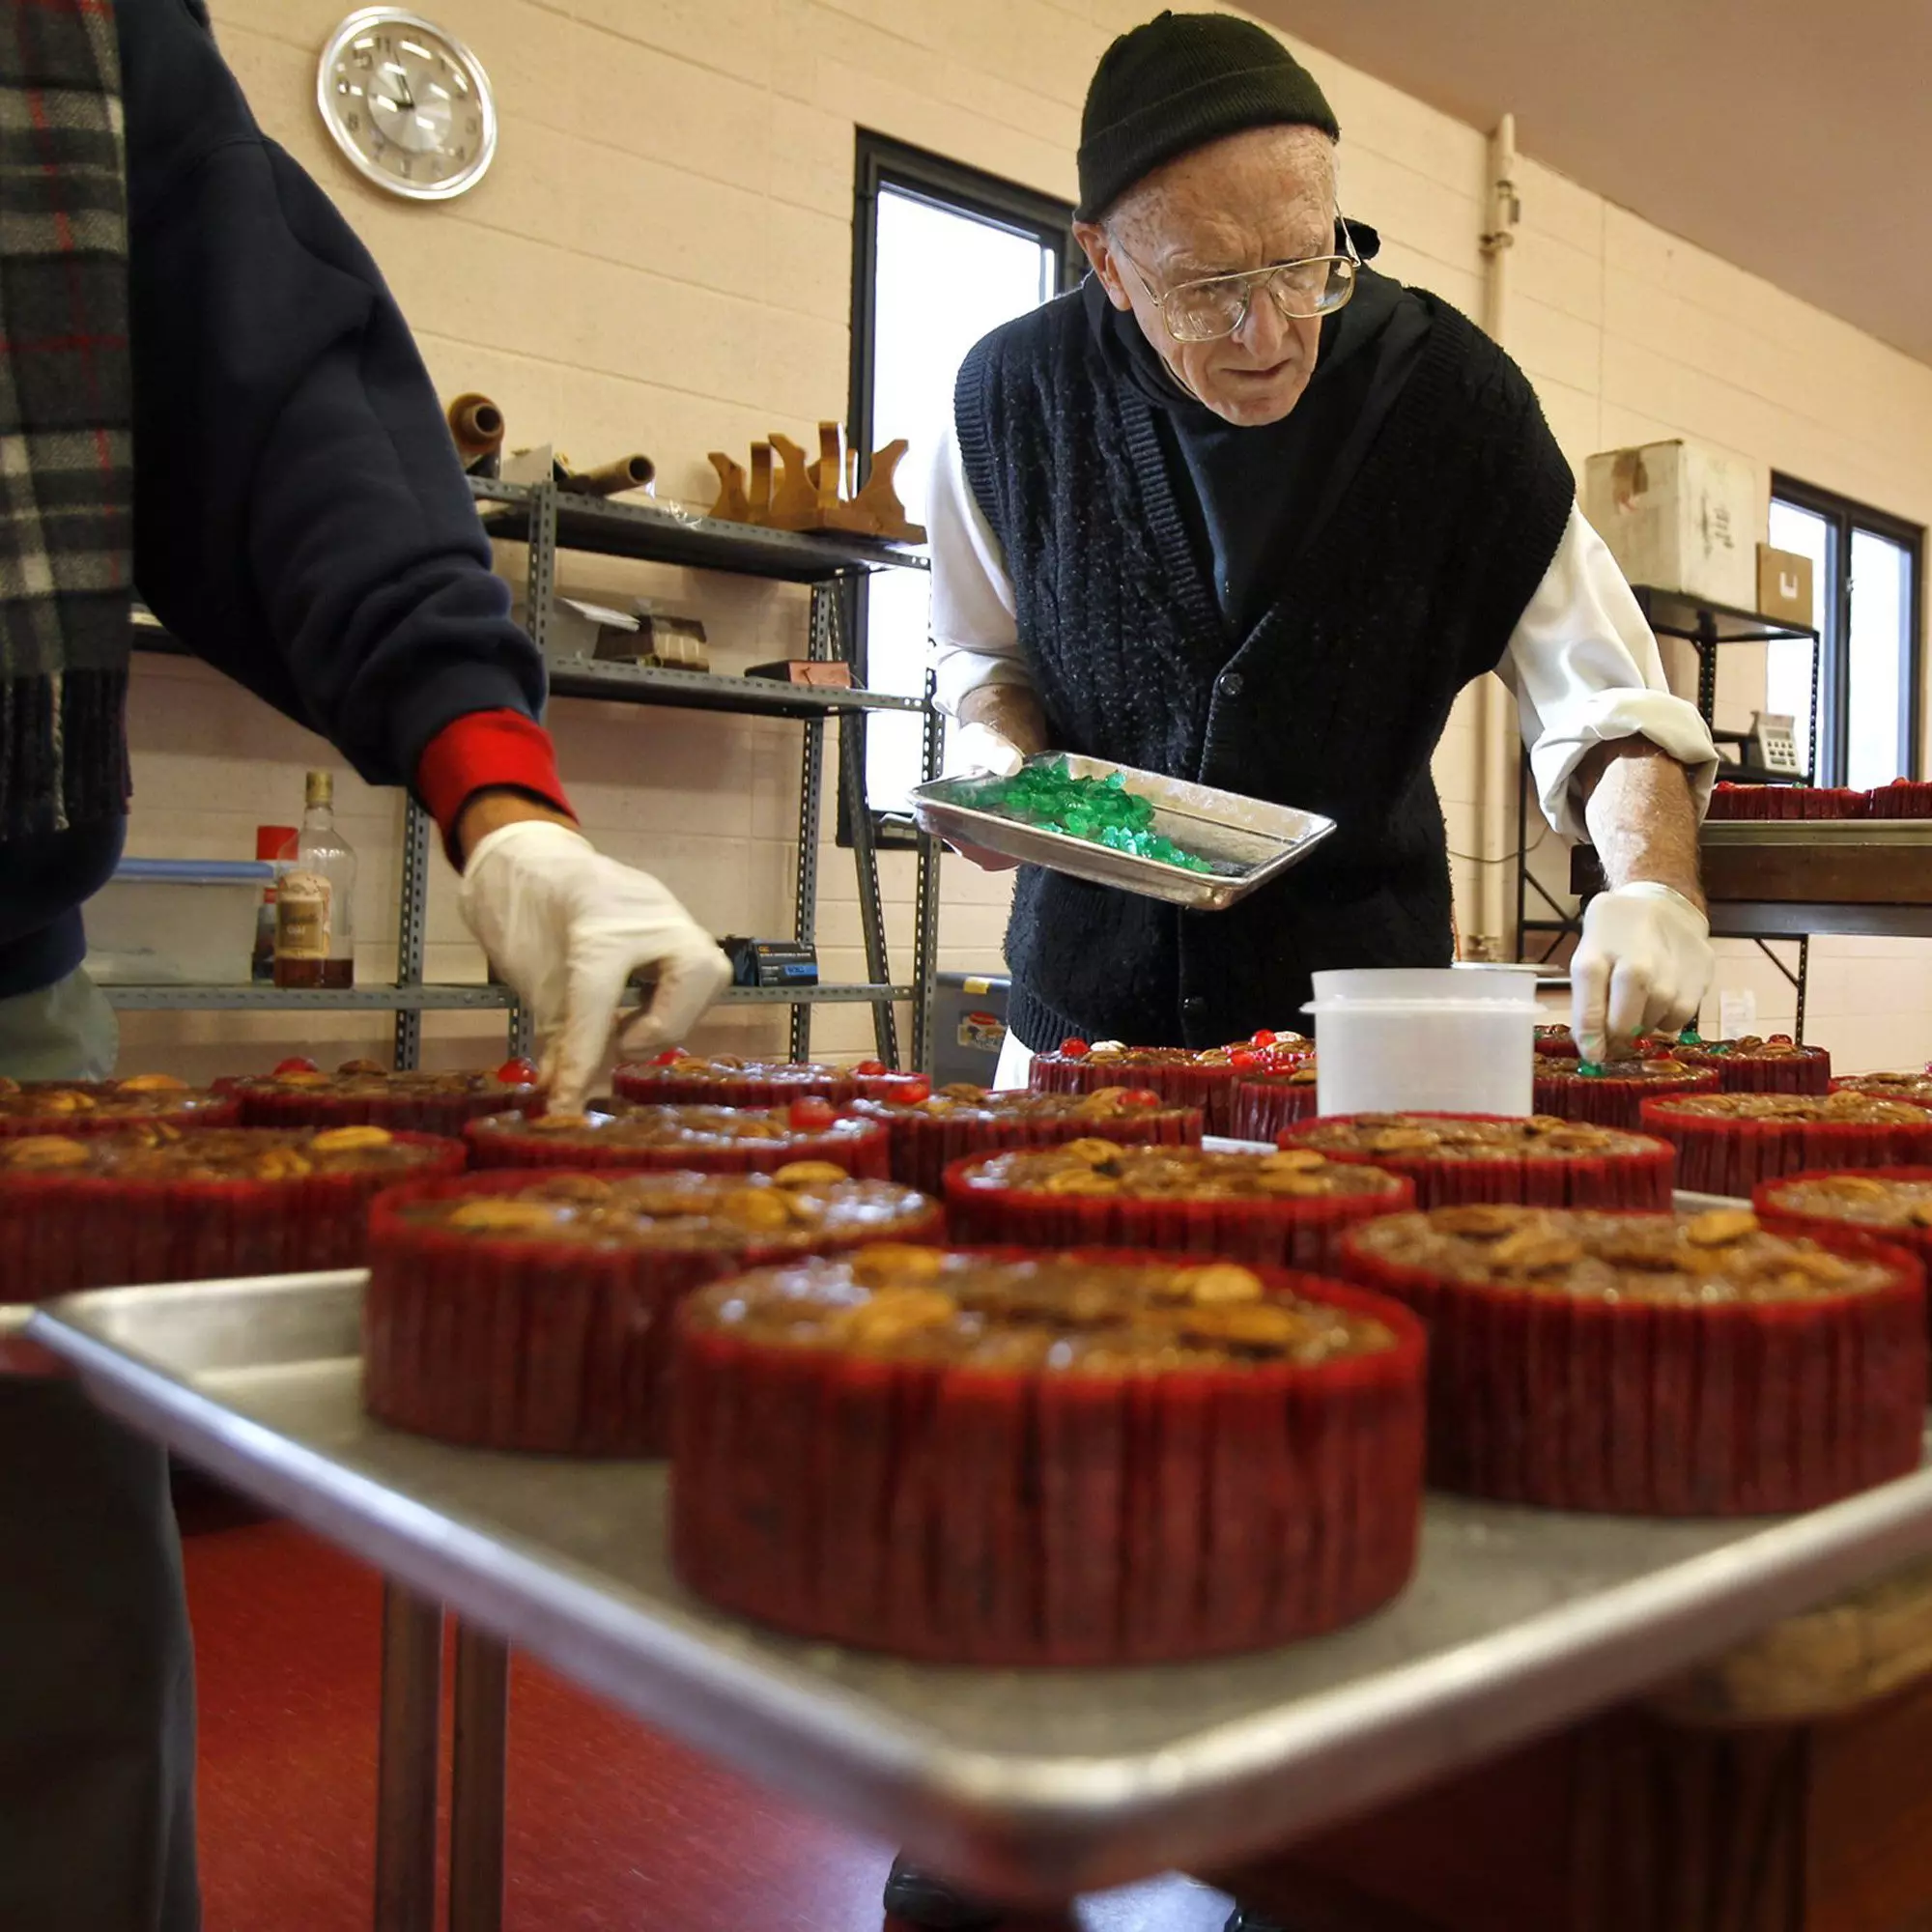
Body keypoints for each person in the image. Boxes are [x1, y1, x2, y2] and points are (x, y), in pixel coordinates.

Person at [888, 13, 1718, 1931]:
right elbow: (979, 664)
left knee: (1333, 1435)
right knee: (1036, 1425)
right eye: (1209, 286)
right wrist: (1005, 778)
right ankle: (986, 1846)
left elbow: (1607, 707)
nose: (1271, 325)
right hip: (1081, 1006)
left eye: (1306, 263)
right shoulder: (1003, 399)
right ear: (1103, 261)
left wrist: (1645, 890)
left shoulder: (1450, 400)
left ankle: (1316, 1852)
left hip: (1354, 1025)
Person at [0, 3, 727, 1925]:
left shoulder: (75, 30)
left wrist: (505, 799)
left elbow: (272, 393)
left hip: (5, 1014)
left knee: (48, 1724)